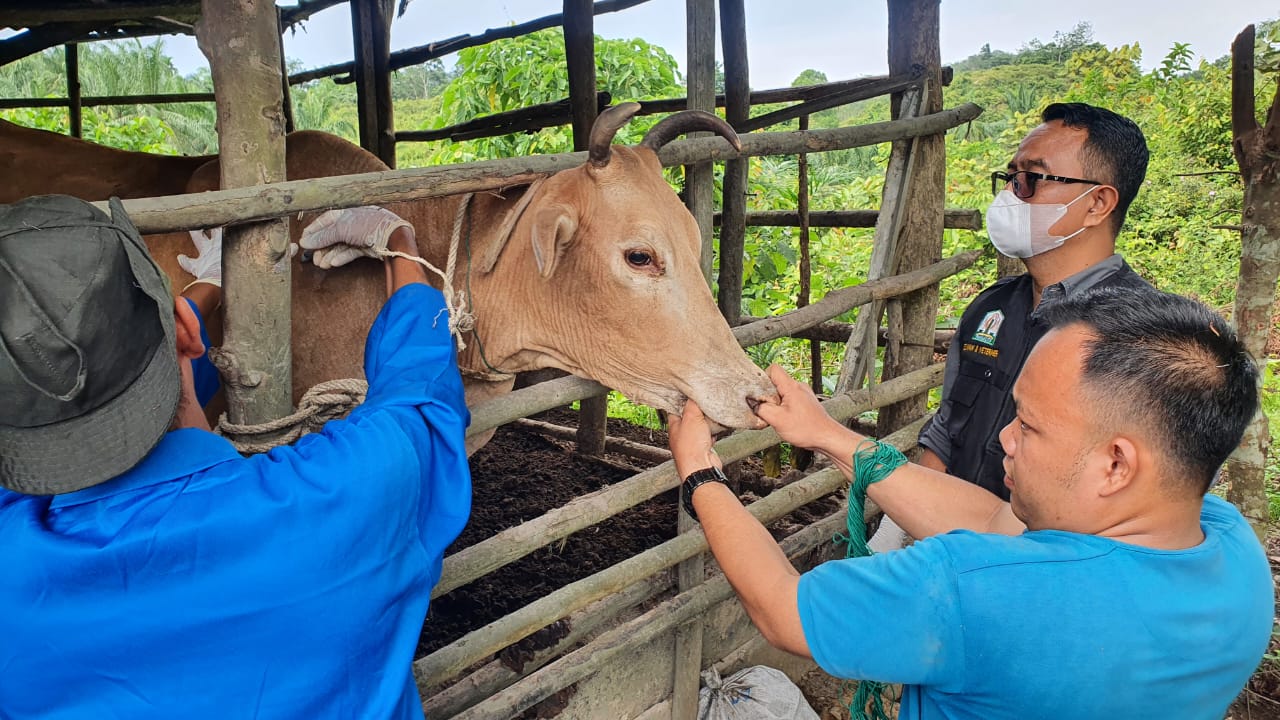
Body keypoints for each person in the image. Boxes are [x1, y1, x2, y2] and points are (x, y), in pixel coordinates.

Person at [668, 286, 1273, 719]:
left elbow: (784, 610)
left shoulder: (976, 589)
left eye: (1029, 425)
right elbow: (991, 519)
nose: (1004, 437)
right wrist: (829, 436)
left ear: (1115, 464)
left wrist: (700, 473)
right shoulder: (1230, 546)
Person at [0, 196, 471, 719]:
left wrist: (203, 293)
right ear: (181, 329)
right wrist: (399, 244)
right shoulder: (350, 497)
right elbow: (421, 401)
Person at [918, 102, 1154, 499]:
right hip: (951, 545)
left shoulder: (1145, 336)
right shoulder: (991, 308)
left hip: (1045, 557)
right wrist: (907, 525)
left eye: (1031, 178)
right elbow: (947, 429)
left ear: (1097, 204)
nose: (1011, 194)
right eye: (1010, 178)